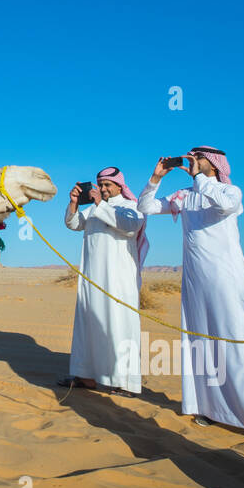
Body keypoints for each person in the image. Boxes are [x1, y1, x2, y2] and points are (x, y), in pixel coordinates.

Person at [138, 147, 244, 437]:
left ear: (214, 164)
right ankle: (213, 409)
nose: (191, 161)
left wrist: (200, 178)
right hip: (195, 281)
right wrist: (155, 179)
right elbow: (146, 208)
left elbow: (224, 206)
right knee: (202, 344)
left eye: (197, 158)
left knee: (237, 342)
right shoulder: (184, 195)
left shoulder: (229, 192)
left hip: (227, 279)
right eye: (189, 157)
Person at [61, 167, 147, 393]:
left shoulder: (131, 208)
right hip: (91, 280)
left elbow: (130, 227)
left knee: (118, 327)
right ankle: (85, 376)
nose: (104, 189)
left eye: (108, 185)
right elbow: (72, 224)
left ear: (120, 186)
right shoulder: (92, 210)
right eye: (101, 185)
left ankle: (124, 382)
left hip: (117, 283)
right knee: (88, 325)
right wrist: (73, 203)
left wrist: (101, 204)